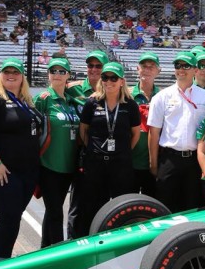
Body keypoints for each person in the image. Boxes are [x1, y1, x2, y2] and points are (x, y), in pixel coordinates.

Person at [0, 58, 43, 261]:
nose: (10, 75)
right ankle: (1, 261)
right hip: (1, 170)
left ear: (23, 77)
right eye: (6, 72)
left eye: (15, 72)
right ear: (0, 75)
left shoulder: (26, 101)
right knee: (9, 215)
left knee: (13, 217)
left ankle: (7, 259)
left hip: (27, 171)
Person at [75, 62, 142, 237]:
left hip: (121, 164)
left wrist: (123, 151)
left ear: (122, 81)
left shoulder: (130, 105)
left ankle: (119, 239)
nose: (109, 81)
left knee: (121, 205)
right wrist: (95, 149)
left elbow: (135, 134)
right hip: (95, 163)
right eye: (105, 77)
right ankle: (91, 239)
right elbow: (83, 130)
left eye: (114, 78)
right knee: (92, 205)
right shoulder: (92, 103)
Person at [148, 53, 205, 212]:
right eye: (178, 66)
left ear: (195, 70)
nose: (181, 69)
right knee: (165, 206)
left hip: (195, 161)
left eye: (186, 66)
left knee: (193, 206)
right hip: (169, 159)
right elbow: (154, 133)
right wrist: (153, 164)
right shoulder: (161, 97)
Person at [33, 58, 82, 247]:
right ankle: (57, 252)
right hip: (49, 165)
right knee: (54, 211)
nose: (57, 74)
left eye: (62, 71)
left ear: (68, 75)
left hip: (70, 166)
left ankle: (46, 249)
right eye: (53, 70)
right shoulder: (44, 99)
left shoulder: (72, 102)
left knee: (55, 211)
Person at [65, 49, 110, 239]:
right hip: (81, 154)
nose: (93, 69)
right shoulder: (72, 89)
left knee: (100, 203)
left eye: (98, 66)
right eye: (90, 65)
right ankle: (73, 243)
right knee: (78, 204)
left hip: (104, 157)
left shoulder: (112, 89)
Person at [131, 52, 161, 197]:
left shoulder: (163, 96)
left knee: (153, 208)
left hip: (154, 163)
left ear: (158, 71)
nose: (147, 69)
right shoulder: (126, 94)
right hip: (130, 162)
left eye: (152, 66)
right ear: (138, 68)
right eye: (144, 66)